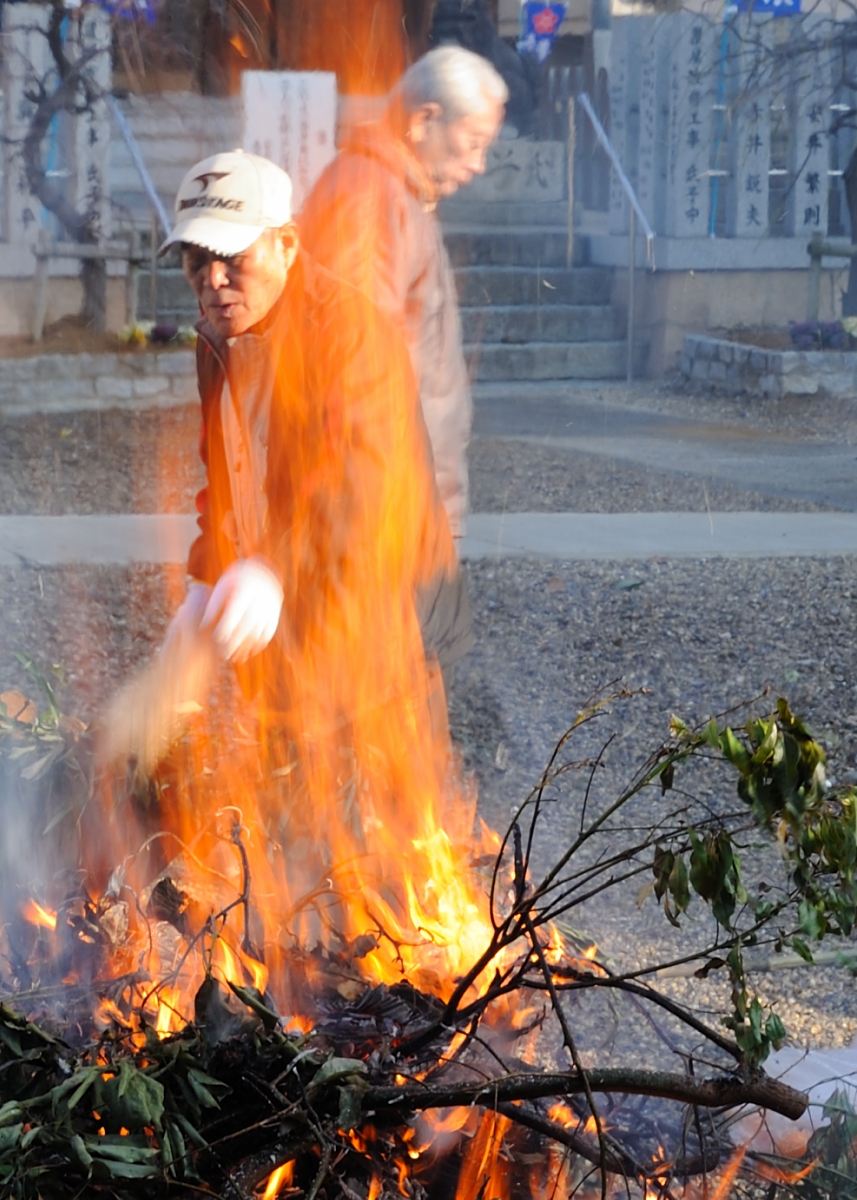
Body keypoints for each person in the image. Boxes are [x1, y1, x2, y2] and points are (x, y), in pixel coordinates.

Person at [154, 149, 469, 739]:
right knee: (283, 798)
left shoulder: (348, 337)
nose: (212, 280)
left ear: (288, 246)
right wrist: (204, 580)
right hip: (291, 626)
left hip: (378, 620)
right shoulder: (219, 341)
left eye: (233, 257)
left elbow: (359, 488)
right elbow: (226, 476)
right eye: (196, 260)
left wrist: (271, 568)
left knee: (375, 816)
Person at [300, 45, 507, 548]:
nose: (480, 165)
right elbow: (356, 368)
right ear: (423, 121)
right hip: (379, 509)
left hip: (401, 499)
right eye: (474, 143)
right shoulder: (370, 199)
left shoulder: (399, 196)